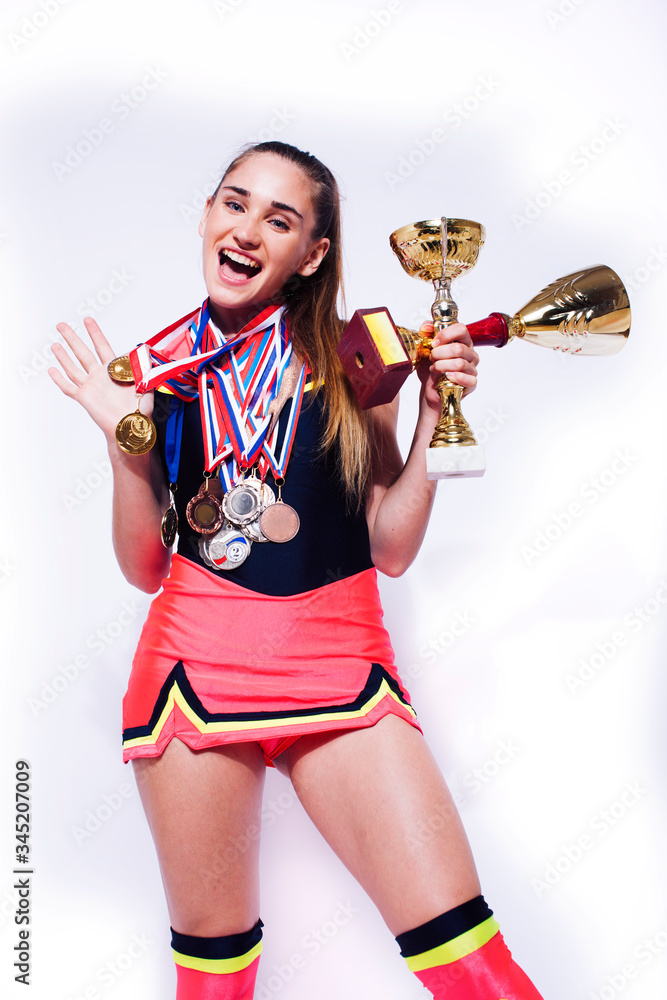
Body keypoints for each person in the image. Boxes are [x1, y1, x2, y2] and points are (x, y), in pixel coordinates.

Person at [49, 141, 544, 1000]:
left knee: (471, 965)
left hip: (344, 670)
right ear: (206, 215)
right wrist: (122, 444)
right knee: (214, 983)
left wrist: (436, 416)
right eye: (233, 203)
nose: (245, 230)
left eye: (278, 219)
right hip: (192, 674)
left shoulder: (362, 356)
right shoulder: (157, 373)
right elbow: (141, 568)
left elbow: (388, 544)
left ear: (312, 254)